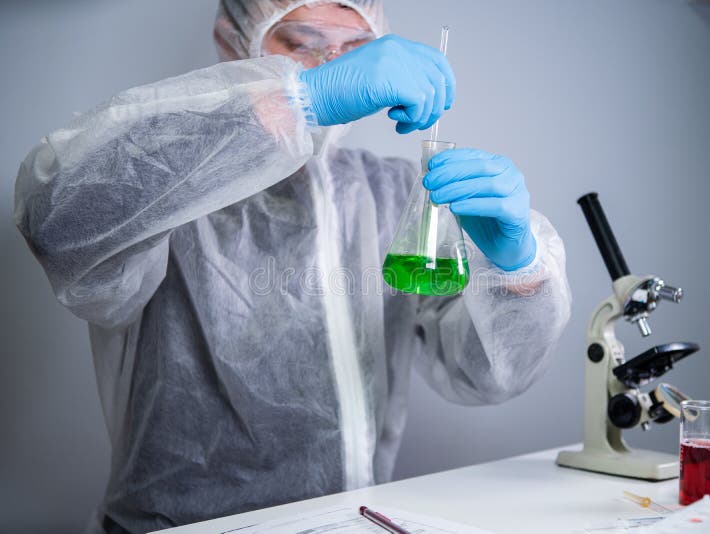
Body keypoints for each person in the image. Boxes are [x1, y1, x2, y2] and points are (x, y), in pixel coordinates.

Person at [13, 1, 571, 532]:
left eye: (357, 48)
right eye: (303, 45)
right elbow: (58, 216)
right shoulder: (171, 188)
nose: (337, 66)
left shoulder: (395, 193)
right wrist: (300, 100)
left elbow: (489, 372)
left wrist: (515, 266)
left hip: (352, 524)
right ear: (236, 45)